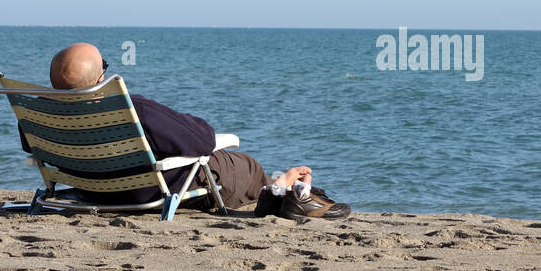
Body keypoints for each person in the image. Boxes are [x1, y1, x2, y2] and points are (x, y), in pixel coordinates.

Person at [22, 43, 349, 220]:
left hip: (95, 191)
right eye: (104, 65)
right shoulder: (134, 109)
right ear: (98, 80)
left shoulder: (38, 116)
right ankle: (285, 193)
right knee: (244, 165)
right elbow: (203, 141)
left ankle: (285, 191)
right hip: (154, 192)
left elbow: (30, 146)